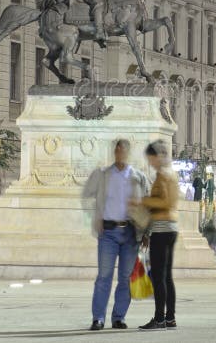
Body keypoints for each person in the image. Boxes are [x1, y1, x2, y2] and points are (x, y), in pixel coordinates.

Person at [83, 139, 150, 331]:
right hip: (109, 232)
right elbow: (86, 195)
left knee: (126, 278)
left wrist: (147, 232)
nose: (120, 153)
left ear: (129, 153)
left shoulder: (138, 177)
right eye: (118, 150)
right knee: (104, 276)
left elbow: (148, 205)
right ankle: (98, 318)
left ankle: (118, 317)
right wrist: (95, 217)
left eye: (124, 150)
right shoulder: (103, 175)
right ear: (114, 152)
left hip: (131, 233)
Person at [137, 141, 180, 330]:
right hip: (170, 228)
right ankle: (169, 318)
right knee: (166, 276)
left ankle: (159, 318)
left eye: (150, 158)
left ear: (156, 157)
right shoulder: (170, 173)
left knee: (158, 276)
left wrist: (143, 200)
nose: (150, 162)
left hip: (162, 230)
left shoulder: (163, 175)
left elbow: (165, 202)